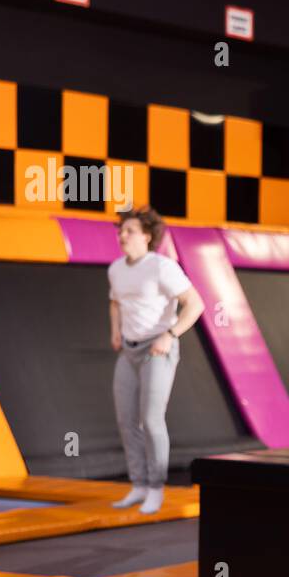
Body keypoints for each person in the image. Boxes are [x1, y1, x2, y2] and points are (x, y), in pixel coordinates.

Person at [108, 208, 204, 514]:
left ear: (147, 237)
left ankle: (156, 487)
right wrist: (116, 331)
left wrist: (171, 334)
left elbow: (195, 304)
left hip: (158, 349)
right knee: (126, 420)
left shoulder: (162, 267)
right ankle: (138, 484)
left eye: (130, 231)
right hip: (130, 350)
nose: (122, 236)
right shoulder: (116, 269)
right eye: (121, 230)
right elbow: (115, 302)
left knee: (150, 419)